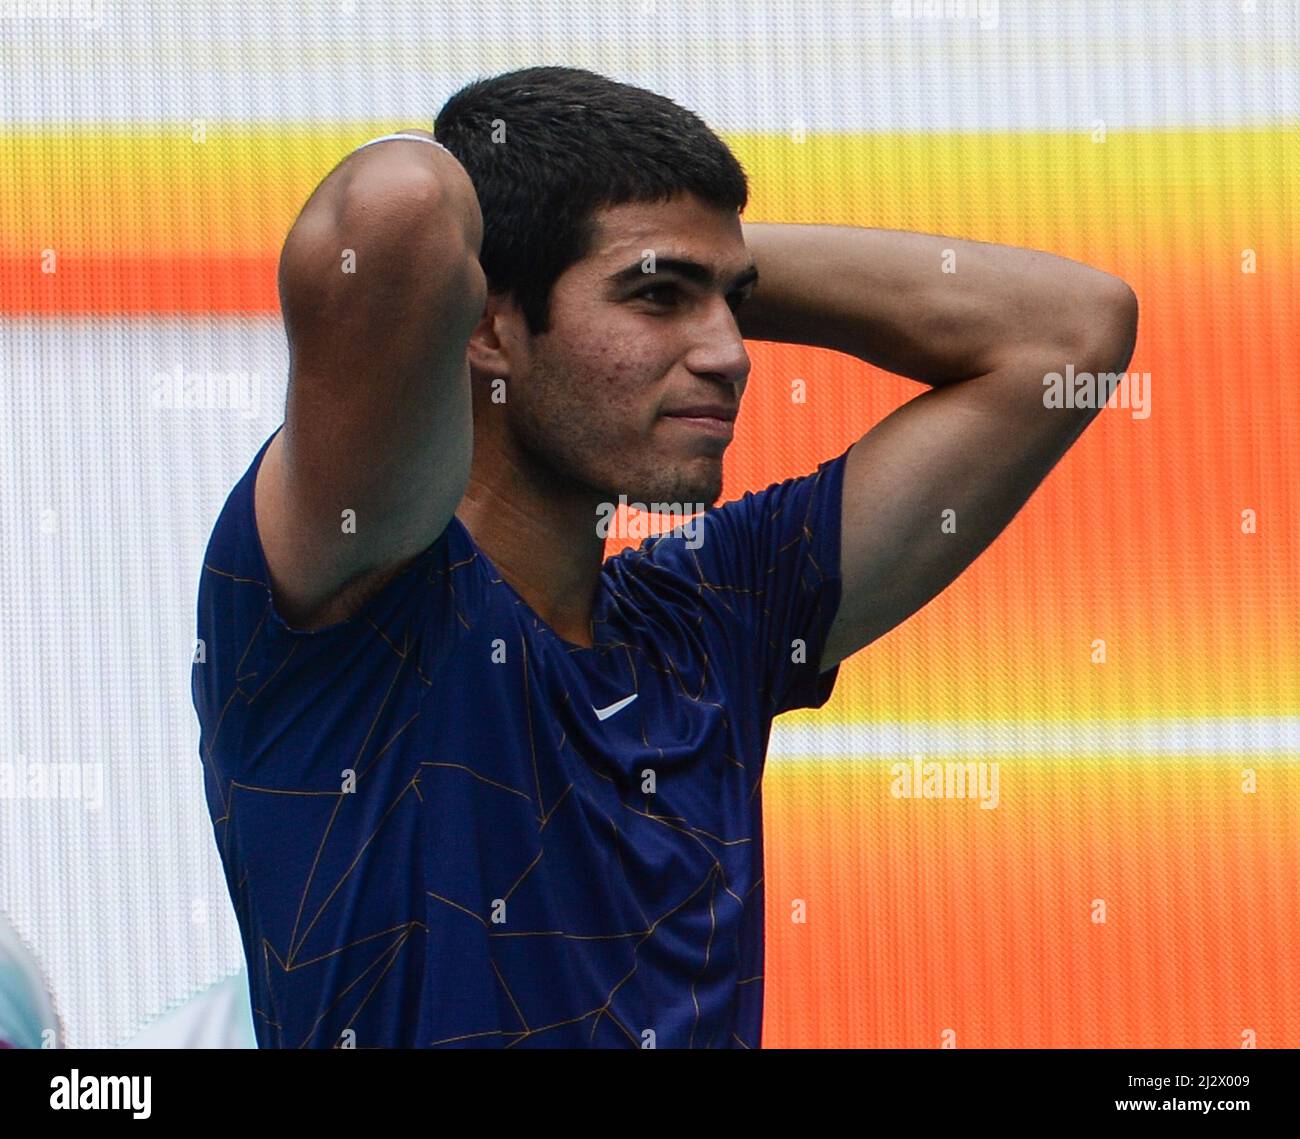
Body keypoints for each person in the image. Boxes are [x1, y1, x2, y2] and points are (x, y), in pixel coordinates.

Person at [192, 65, 1137, 1048]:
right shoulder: (366, 593)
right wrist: (565, 234)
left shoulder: (713, 616)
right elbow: (399, 207)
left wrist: (661, 256)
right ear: (486, 323)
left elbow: (1070, 329)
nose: (730, 351)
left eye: (734, 302)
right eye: (660, 298)